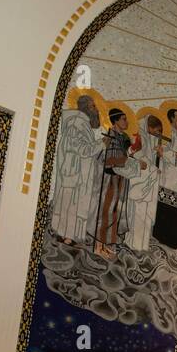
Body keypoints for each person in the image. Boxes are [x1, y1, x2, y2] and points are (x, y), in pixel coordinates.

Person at [51, 94, 103, 247]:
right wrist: (101, 143)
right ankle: (65, 235)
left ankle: (70, 235)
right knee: (70, 204)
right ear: (86, 107)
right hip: (73, 172)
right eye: (93, 106)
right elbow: (81, 149)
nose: (96, 109)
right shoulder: (76, 123)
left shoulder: (83, 124)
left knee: (74, 203)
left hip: (79, 173)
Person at [96, 108, 133, 259]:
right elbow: (107, 160)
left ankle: (109, 245)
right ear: (115, 121)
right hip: (110, 177)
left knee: (115, 211)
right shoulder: (109, 136)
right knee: (106, 210)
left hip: (121, 177)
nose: (126, 122)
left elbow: (126, 155)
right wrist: (123, 161)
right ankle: (99, 245)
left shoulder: (124, 138)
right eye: (123, 119)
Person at [127, 114, 166, 252]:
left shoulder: (152, 141)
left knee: (147, 217)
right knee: (138, 214)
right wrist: (153, 168)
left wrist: (159, 156)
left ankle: (143, 246)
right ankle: (135, 245)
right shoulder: (139, 138)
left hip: (150, 183)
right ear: (149, 127)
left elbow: (154, 161)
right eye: (157, 130)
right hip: (141, 182)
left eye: (160, 131)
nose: (159, 134)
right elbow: (136, 156)